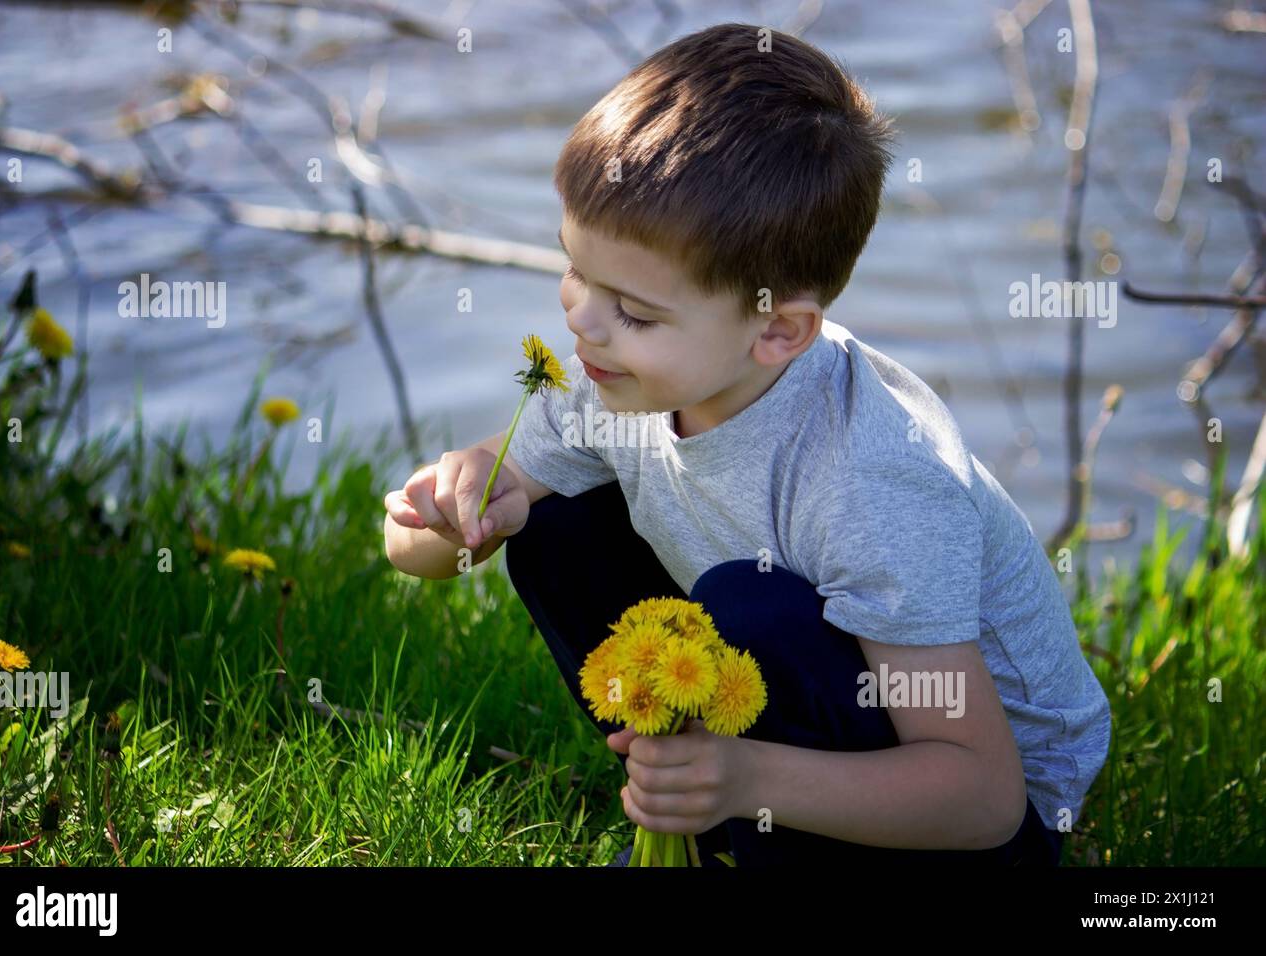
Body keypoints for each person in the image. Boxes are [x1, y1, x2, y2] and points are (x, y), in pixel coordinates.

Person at [383, 22, 1111, 867]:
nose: (579, 319)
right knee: (552, 526)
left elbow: (981, 798)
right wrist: (446, 510)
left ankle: (738, 812)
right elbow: (416, 554)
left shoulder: (872, 482)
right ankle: (705, 815)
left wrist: (747, 777)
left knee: (747, 603)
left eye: (634, 312)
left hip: (983, 823)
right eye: (576, 269)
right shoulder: (620, 380)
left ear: (779, 332)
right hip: (818, 737)